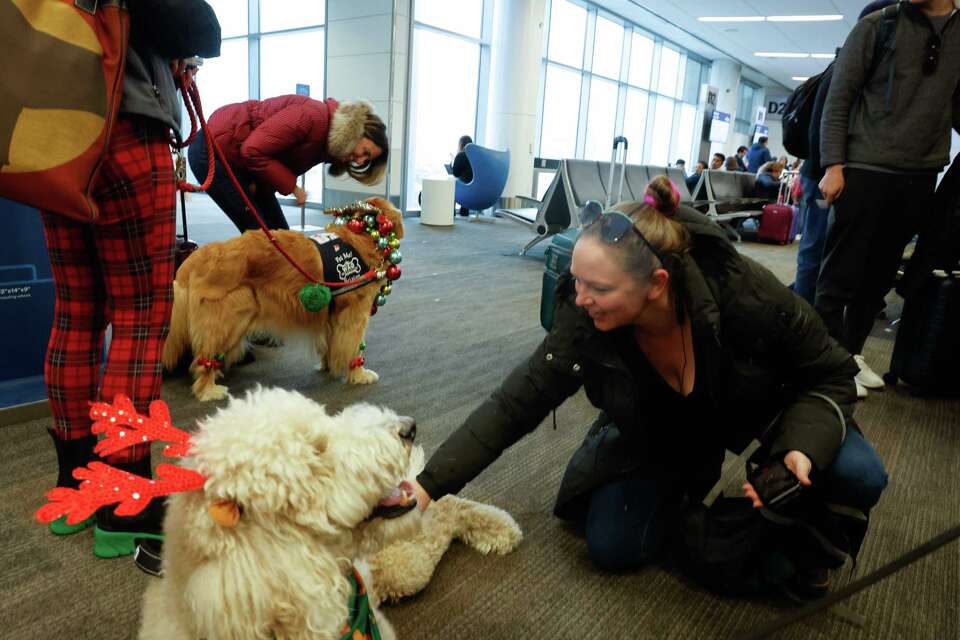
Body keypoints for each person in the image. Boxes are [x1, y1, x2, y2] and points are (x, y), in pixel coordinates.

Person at [413, 176, 887, 599]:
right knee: (612, 544)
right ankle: (731, 522)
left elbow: (832, 372)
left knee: (857, 472)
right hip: (664, 428)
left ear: (657, 284)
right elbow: (514, 403)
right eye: (575, 280)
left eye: (597, 287)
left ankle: (801, 542)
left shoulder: (745, 291)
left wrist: (799, 448)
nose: (579, 300)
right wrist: (427, 486)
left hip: (763, 403)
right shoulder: (584, 317)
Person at [37, 0, 220, 574]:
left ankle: (75, 485)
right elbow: (196, 27)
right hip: (123, 129)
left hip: (54, 142)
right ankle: (124, 501)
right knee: (141, 320)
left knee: (76, 314)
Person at [816, 0, 960, 397]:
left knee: (878, 279)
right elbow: (838, 99)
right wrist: (833, 165)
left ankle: (851, 355)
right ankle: (826, 362)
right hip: (864, 168)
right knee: (840, 275)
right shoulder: (877, 26)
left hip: (919, 174)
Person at [189, 97, 388, 233]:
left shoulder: (326, 143)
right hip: (213, 153)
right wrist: (293, 187)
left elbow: (270, 158)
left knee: (282, 238)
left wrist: (259, 185)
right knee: (261, 238)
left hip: (238, 163)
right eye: (366, 152)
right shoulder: (313, 117)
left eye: (367, 160)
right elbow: (252, 149)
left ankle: (279, 292)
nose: (361, 160)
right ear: (358, 132)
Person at [452, 135, 474, 217]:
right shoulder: (476, 156)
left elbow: (456, 173)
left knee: (452, 185)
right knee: (466, 180)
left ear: (461, 145)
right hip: (476, 187)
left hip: (464, 187)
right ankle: (464, 212)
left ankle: (451, 213)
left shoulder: (460, 155)